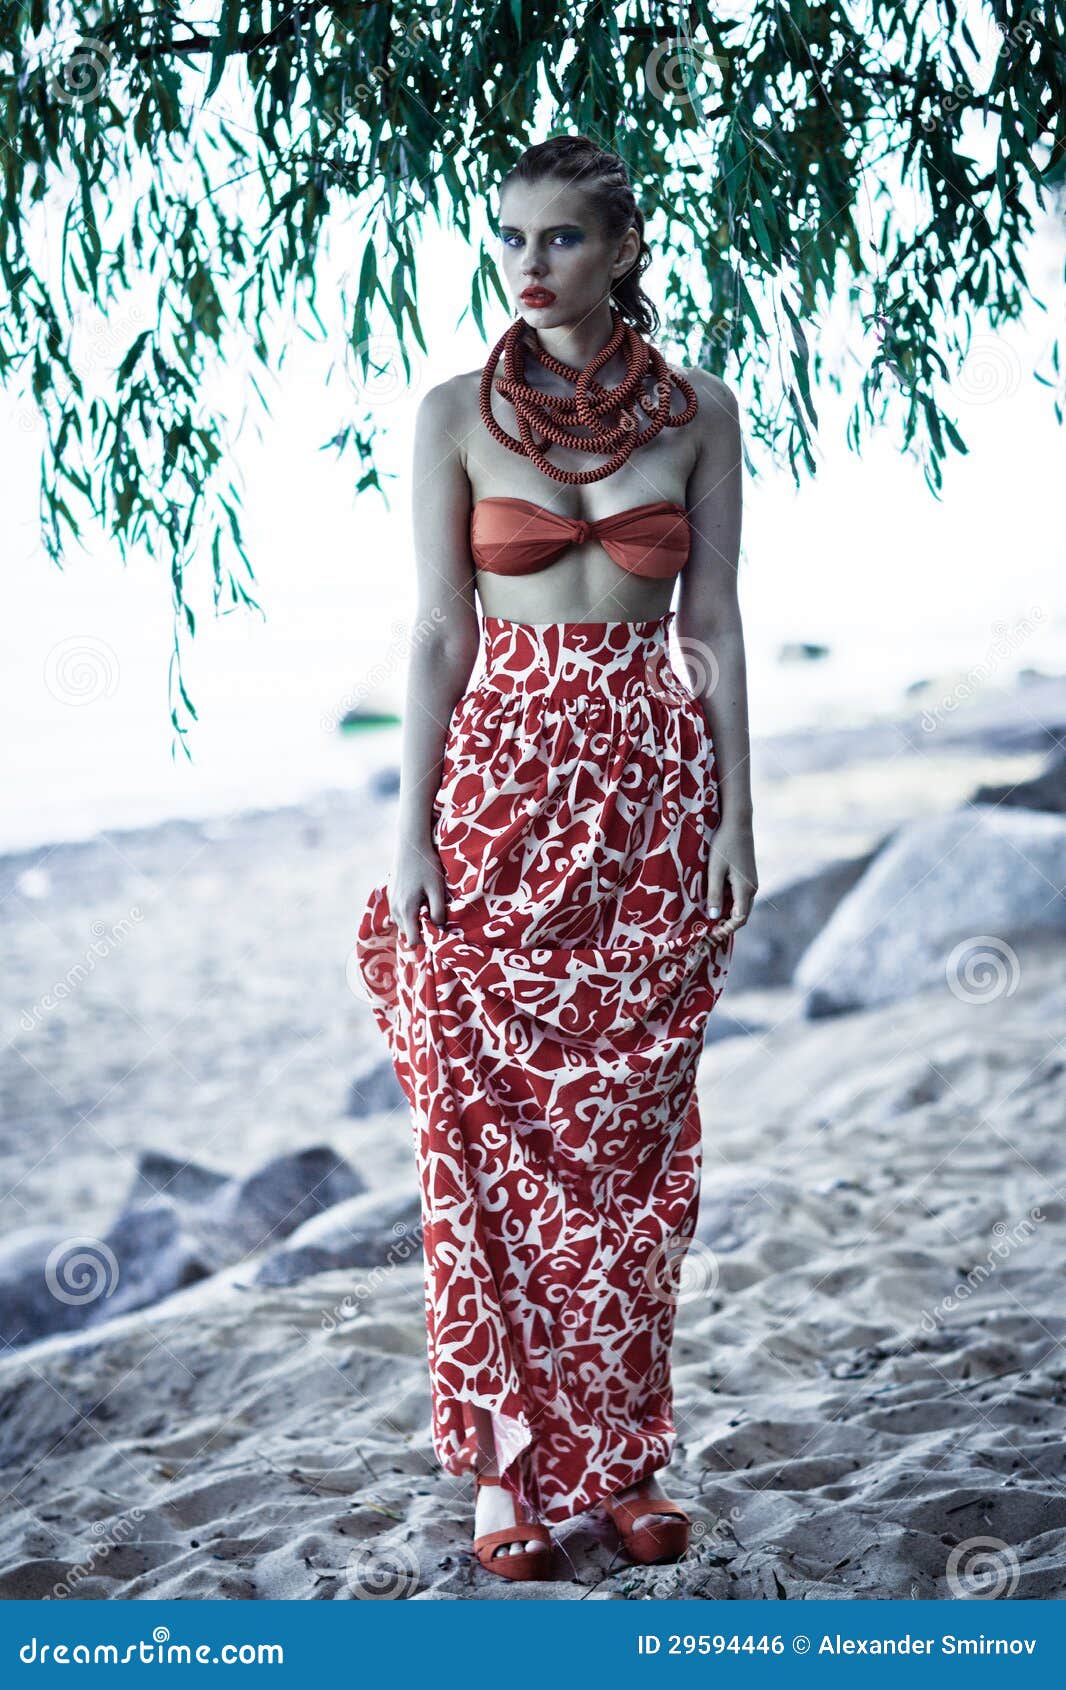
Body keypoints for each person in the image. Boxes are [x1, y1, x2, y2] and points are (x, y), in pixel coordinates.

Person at [355, 133, 757, 1583]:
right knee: (483, 1137)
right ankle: (503, 1468)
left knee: (631, 1146)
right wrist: (410, 828)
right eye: (511, 236)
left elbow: (712, 626)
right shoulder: (453, 414)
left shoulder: (701, 412)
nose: (528, 264)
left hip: (652, 794)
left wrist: (737, 816)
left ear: (623, 248)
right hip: (498, 794)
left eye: (562, 238)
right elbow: (438, 630)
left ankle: (630, 1456)